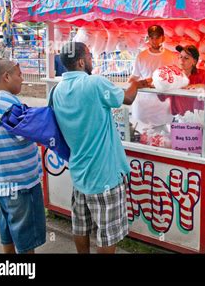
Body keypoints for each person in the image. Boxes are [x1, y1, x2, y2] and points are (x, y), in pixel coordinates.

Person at [52, 42, 151, 254]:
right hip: (105, 174)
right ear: (80, 61)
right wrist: (137, 83)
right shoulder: (94, 83)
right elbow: (128, 98)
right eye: (89, 55)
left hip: (79, 171)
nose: (92, 59)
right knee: (107, 233)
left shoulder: (57, 89)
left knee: (81, 225)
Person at [0, 60, 46, 254]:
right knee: (26, 240)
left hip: (0, 182)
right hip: (20, 183)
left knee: (8, 229)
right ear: (6, 77)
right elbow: (31, 131)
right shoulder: (9, 103)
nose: (23, 79)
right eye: (19, 74)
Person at [129, 25, 177, 126]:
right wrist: (127, 87)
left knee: (162, 137)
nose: (154, 41)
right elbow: (134, 77)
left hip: (164, 106)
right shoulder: (141, 56)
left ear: (163, 38)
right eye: (152, 38)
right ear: (148, 38)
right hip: (143, 104)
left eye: (157, 37)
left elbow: (176, 79)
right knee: (142, 136)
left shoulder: (171, 56)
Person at [159, 45, 205, 116]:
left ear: (194, 61)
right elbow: (162, 98)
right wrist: (159, 84)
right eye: (180, 57)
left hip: (197, 120)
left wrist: (195, 86)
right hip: (178, 120)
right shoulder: (173, 76)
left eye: (186, 58)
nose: (182, 60)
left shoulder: (203, 74)